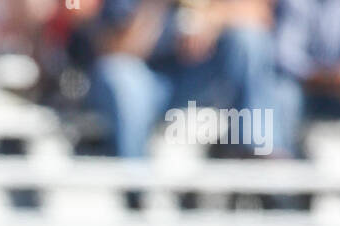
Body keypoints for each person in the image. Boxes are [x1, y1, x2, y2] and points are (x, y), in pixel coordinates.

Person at [89, 0, 277, 157]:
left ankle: (253, 153)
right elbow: (114, 51)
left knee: (250, 39)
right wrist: (156, 9)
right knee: (119, 76)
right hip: (152, 82)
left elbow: (260, 16)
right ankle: (136, 189)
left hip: (208, 79)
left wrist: (211, 20)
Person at [273, 0, 340, 155]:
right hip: (309, 88)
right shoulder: (295, 3)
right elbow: (286, 56)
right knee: (283, 92)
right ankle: (281, 157)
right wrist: (330, 79)